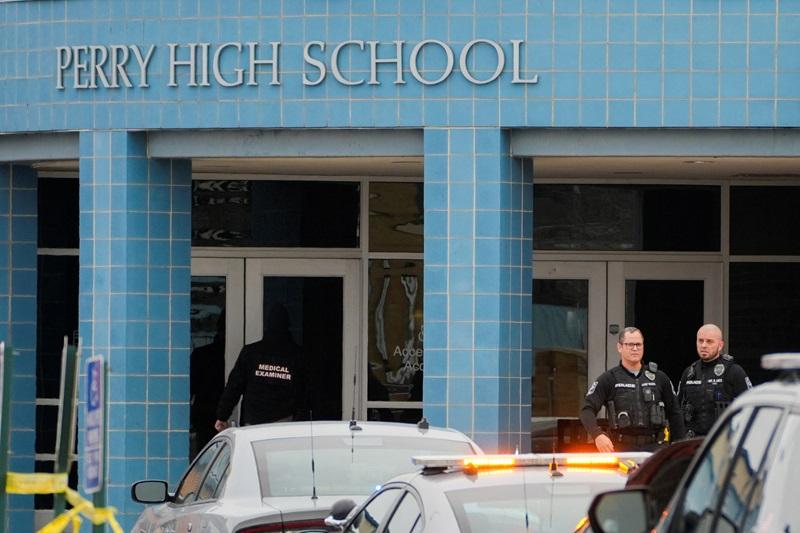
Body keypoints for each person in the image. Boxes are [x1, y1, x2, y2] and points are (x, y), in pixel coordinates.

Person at [581, 327, 685, 452]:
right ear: (620, 347)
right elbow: (587, 410)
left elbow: (675, 413)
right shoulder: (609, 379)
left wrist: (679, 447)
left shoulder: (660, 378)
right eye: (630, 344)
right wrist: (597, 435)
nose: (635, 348)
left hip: (655, 448)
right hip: (621, 449)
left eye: (638, 344)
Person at [215, 303, 307, 431]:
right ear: (287, 326)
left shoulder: (251, 353)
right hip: (285, 423)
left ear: (267, 326)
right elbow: (305, 392)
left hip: (253, 422)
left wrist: (222, 415)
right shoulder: (298, 355)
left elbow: (234, 386)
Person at [676, 323, 752, 438]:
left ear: (720, 345)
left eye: (709, 341)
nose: (704, 345)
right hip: (692, 441)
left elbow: (750, 407)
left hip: (722, 441)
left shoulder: (734, 371)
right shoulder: (689, 373)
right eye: (700, 341)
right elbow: (677, 410)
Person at [190, 311, 226, 453]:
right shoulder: (202, 355)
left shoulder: (201, 355)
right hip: (208, 415)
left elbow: (190, 389)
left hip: (204, 415)